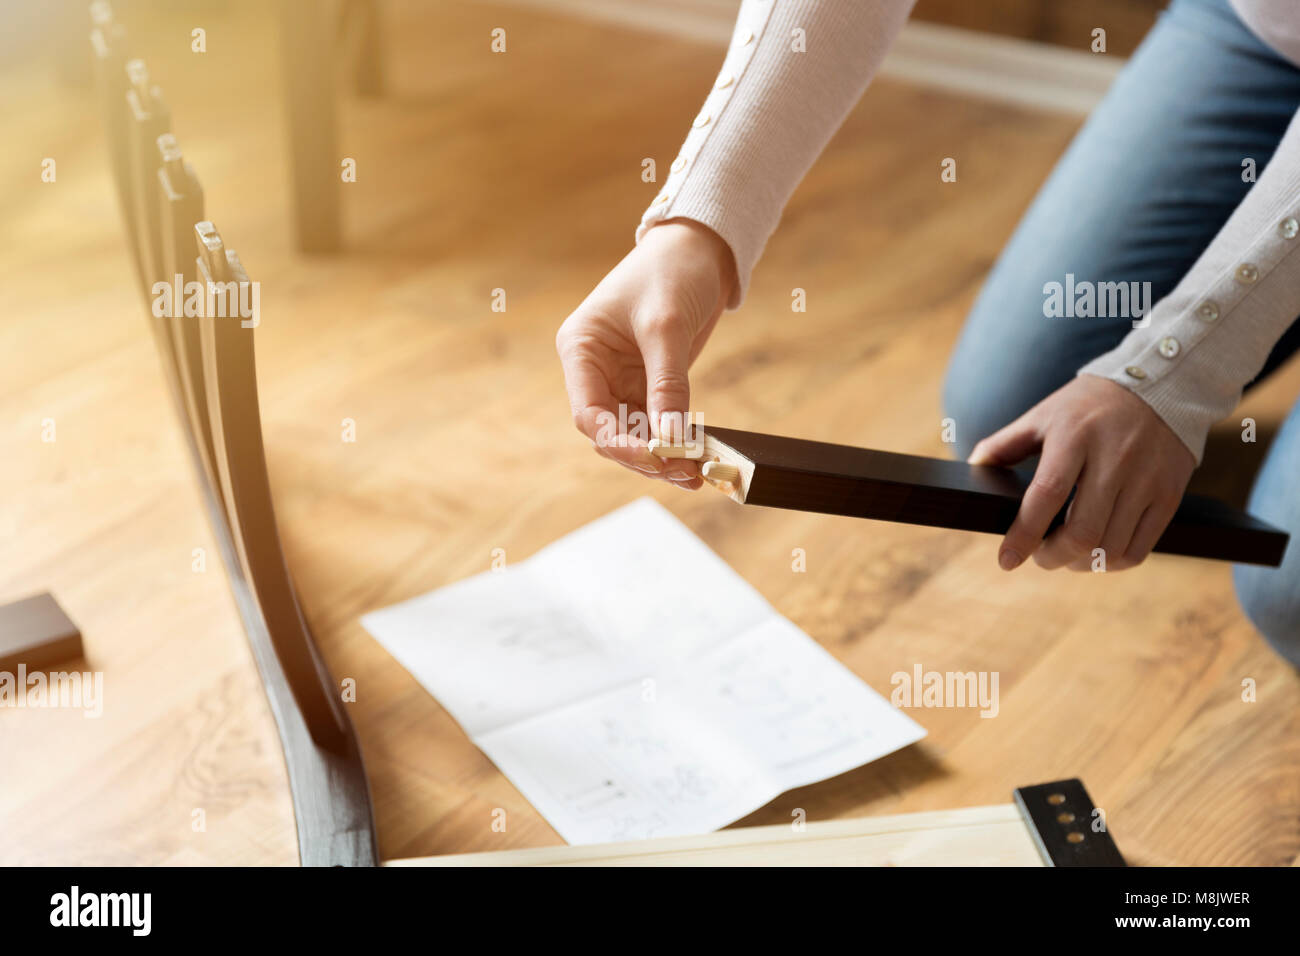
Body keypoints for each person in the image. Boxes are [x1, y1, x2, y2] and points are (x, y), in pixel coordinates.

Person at [555, 0, 1300, 660]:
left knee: (1292, 601)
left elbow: (1166, 378)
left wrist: (1175, 371)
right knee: (1011, 429)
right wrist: (696, 227)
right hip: (1264, 28)